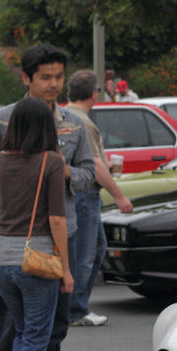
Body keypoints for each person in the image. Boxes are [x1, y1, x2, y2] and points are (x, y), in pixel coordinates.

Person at [0, 43, 95, 351]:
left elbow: (90, 174)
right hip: (15, 242)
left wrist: (64, 171)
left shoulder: (74, 123)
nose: (54, 84)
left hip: (62, 235)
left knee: (55, 323)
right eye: (45, 77)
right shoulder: (4, 120)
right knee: (11, 323)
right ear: (26, 79)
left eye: (59, 76)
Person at [0, 98, 74, 351]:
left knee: (23, 334)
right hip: (35, 260)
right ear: (45, 128)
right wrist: (66, 269)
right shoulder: (51, 161)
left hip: (2, 259)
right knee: (36, 338)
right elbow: (56, 220)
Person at [63, 70, 134, 326]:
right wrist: (120, 195)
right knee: (87, 252)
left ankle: (74, 306)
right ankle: (76, 310)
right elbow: (95, 165)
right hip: (84, 194)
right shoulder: (83, 122)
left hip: (72, 192)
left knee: (93, 249)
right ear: (94, 94)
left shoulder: (63, 116)